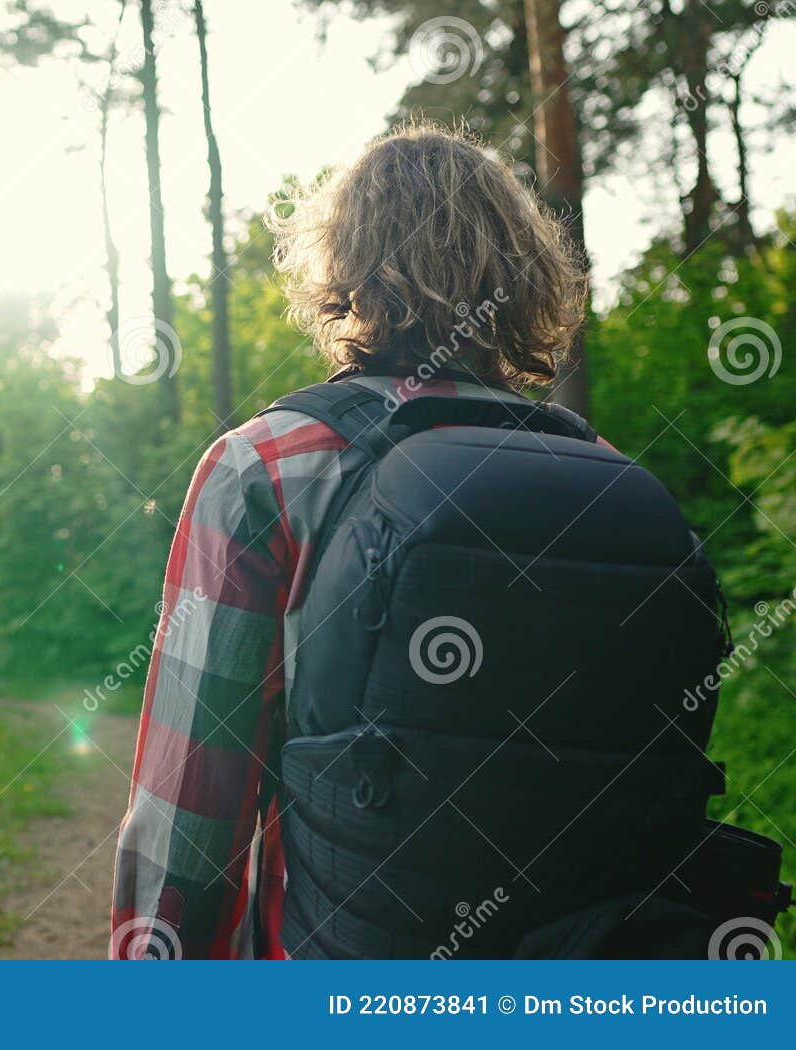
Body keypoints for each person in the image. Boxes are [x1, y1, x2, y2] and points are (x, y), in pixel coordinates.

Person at [111, 122, 635, 960]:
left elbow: (192, 807)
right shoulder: (604, 474)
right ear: (527, 273)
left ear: (346, 272)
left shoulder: (265, 467)